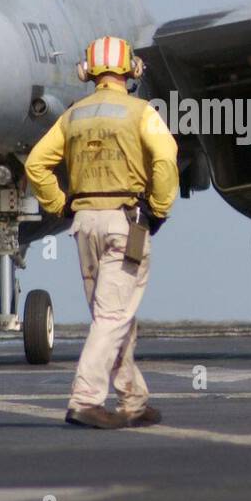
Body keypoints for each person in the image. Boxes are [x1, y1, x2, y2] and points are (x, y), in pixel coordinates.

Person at [25, 36, 179, 429]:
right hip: (125, 223)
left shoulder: (73, 115)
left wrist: (58, 205)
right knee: (113, 315)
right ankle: (86, 400)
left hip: (83, 224)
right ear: (130, 70)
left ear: (88, 71)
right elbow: (165, 158)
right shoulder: (140, 112)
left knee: (110, 314)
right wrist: (158, 211)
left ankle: (133, 400)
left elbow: (36, 165)